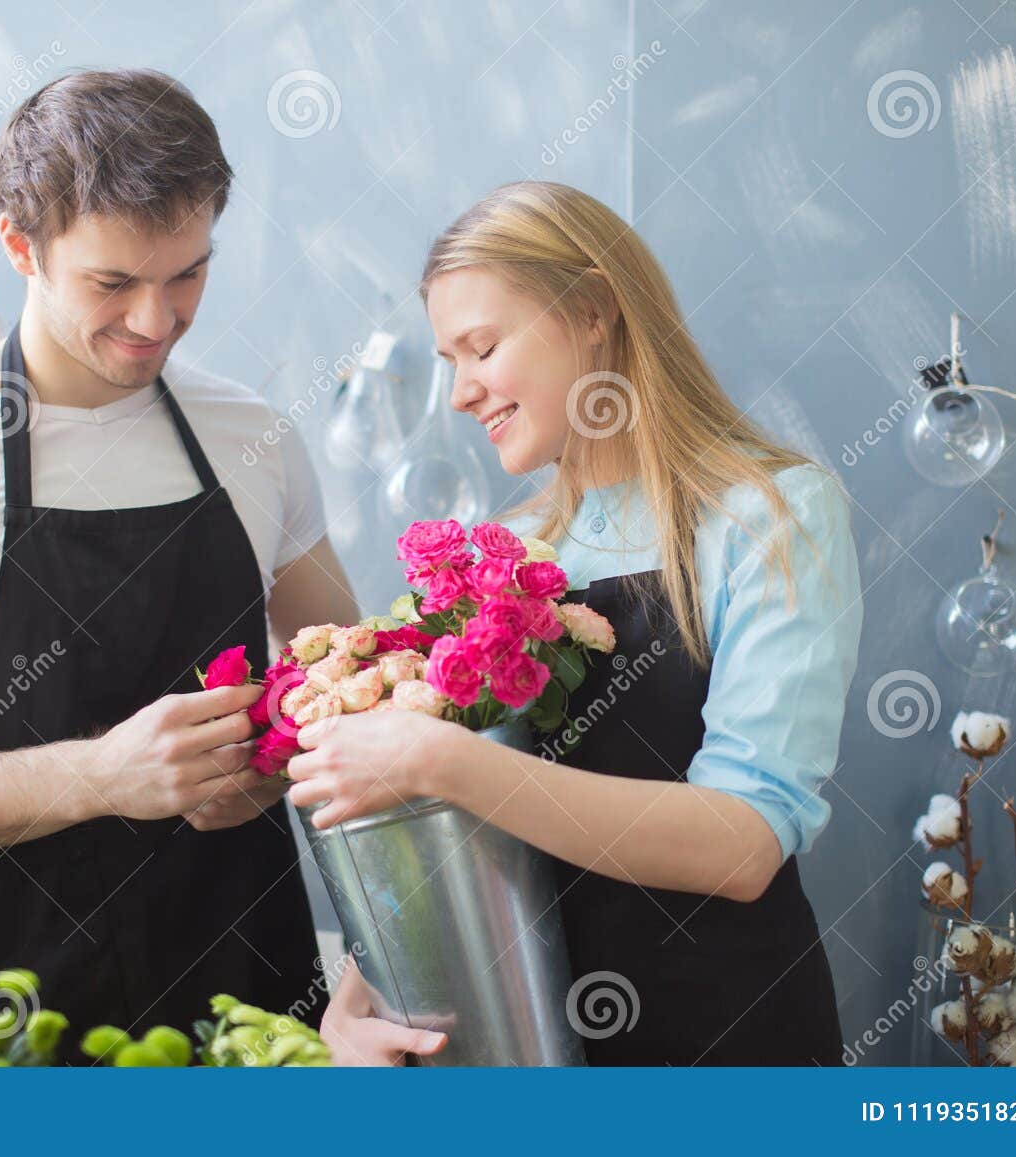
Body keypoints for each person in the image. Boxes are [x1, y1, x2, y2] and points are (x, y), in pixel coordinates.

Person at [0, 68, 431, 1064]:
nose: (156, 321)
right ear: (18, 245)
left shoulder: (252, 437)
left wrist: (266, 770)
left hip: (255, 1005)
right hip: (6, 1023)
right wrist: (99, 775)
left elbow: (358, 703)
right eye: (113, 283)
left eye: (188, 275)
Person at [293, 181, 863, 1066]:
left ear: (594, 308)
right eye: (450, 359)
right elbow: (457, 849)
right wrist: (364, 996)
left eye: (481, 347)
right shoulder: (506, 555)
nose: (459, 391)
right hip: (533, 1044)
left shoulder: (771, 512)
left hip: (730, 1034)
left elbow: (744, 844)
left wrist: (441, 758)